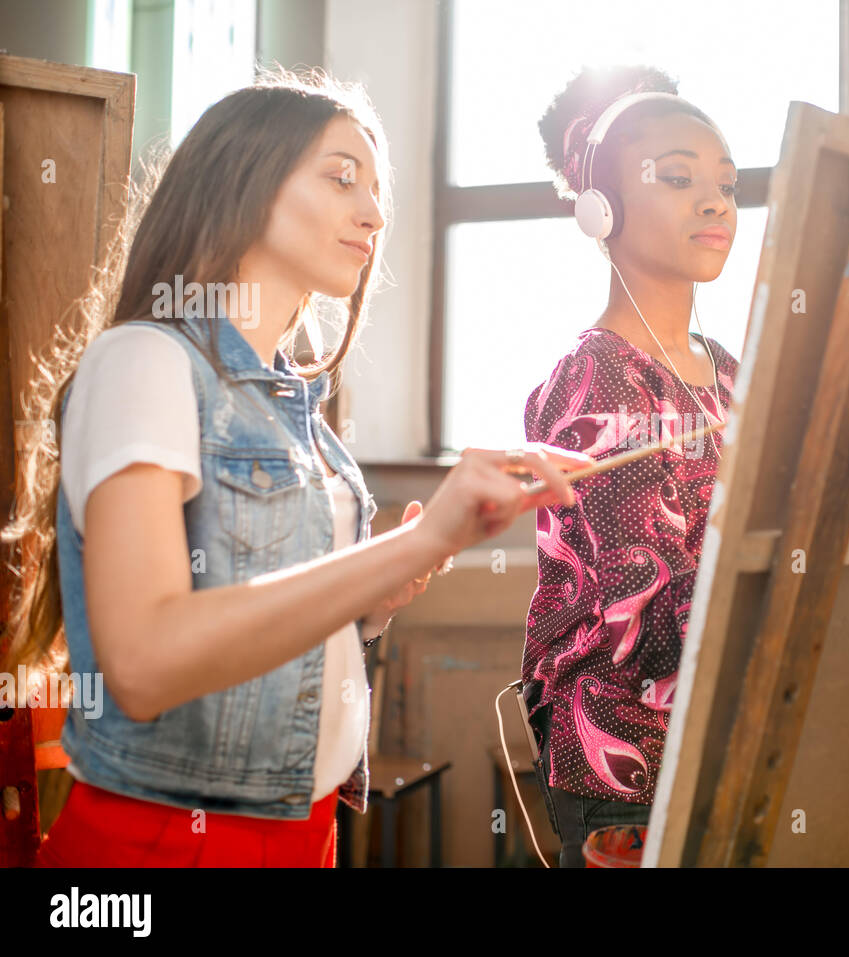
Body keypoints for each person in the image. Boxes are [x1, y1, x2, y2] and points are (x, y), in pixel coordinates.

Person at [0, 67, 589, 867]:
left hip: (306, 832)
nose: (375, 214)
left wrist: (376, 594)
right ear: (239, 181)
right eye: (342, 177)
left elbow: (266, 611)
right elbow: (140, 662)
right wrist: (409, 546)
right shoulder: (143, 361)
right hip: (168, 845)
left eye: (378, 190)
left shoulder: (296, 403)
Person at [521, 65, 742, 866]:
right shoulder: (597, 380)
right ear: (600, 210)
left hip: (721, 741)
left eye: (726, 182)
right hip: (626, 761)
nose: (716, 201)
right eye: (679, 179)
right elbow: (644, 617)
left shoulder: (729, 374)